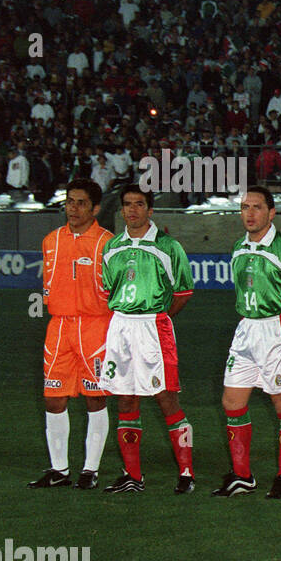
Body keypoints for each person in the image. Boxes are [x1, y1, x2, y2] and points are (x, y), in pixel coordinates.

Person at [212, 186, 281, 499]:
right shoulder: (238, 248)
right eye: (245, 207)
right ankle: (242, 476)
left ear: (271, 213)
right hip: (246, 330)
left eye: (257, 207)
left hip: (278, 331)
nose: (250, 213)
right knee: (232, 403)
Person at [98, 187, 197, 493]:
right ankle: (132, 475)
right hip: (120, 328)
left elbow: (183, 292)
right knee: (125, 399)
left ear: (150, 210)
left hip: (154, 327)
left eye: (139, 205)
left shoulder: (168, 246)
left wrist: (159, 317)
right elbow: (106, 292)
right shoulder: (112, 247)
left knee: (166, 398)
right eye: (127, 205)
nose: (132, 210)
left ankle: (186, 473)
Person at [29, 179, 113, 490]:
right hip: (59, 327)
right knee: (53, 398)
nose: (73, 208)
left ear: (95, 208)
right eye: (69, 201)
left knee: (95, 398)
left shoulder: (108, 242)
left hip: (95, 327)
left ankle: (90, 470)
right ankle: (59, 470)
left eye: (80, 203)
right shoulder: (51, 240)